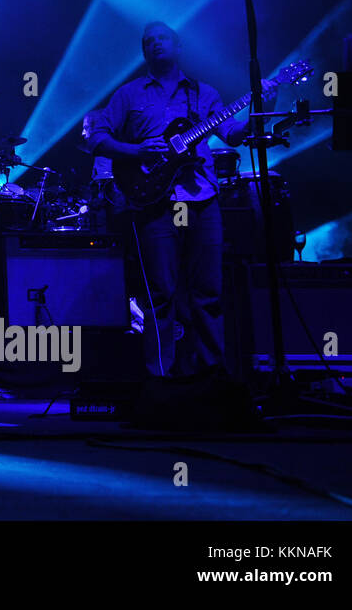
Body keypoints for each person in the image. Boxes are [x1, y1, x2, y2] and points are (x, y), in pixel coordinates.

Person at [87, 21, 276, 377]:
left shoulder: (204, 94)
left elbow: (233, 135)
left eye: (162, 39)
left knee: (209, 292)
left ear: (178, 46)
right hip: (154, 201)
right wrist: (136, 151)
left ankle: (212, 376)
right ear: (144, 51)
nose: (156, 45)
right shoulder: (129, 94)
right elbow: (96, 138)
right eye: (148, 42)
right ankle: (160, 380)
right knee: (160, 294)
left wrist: (260, 110)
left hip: (202, 199)